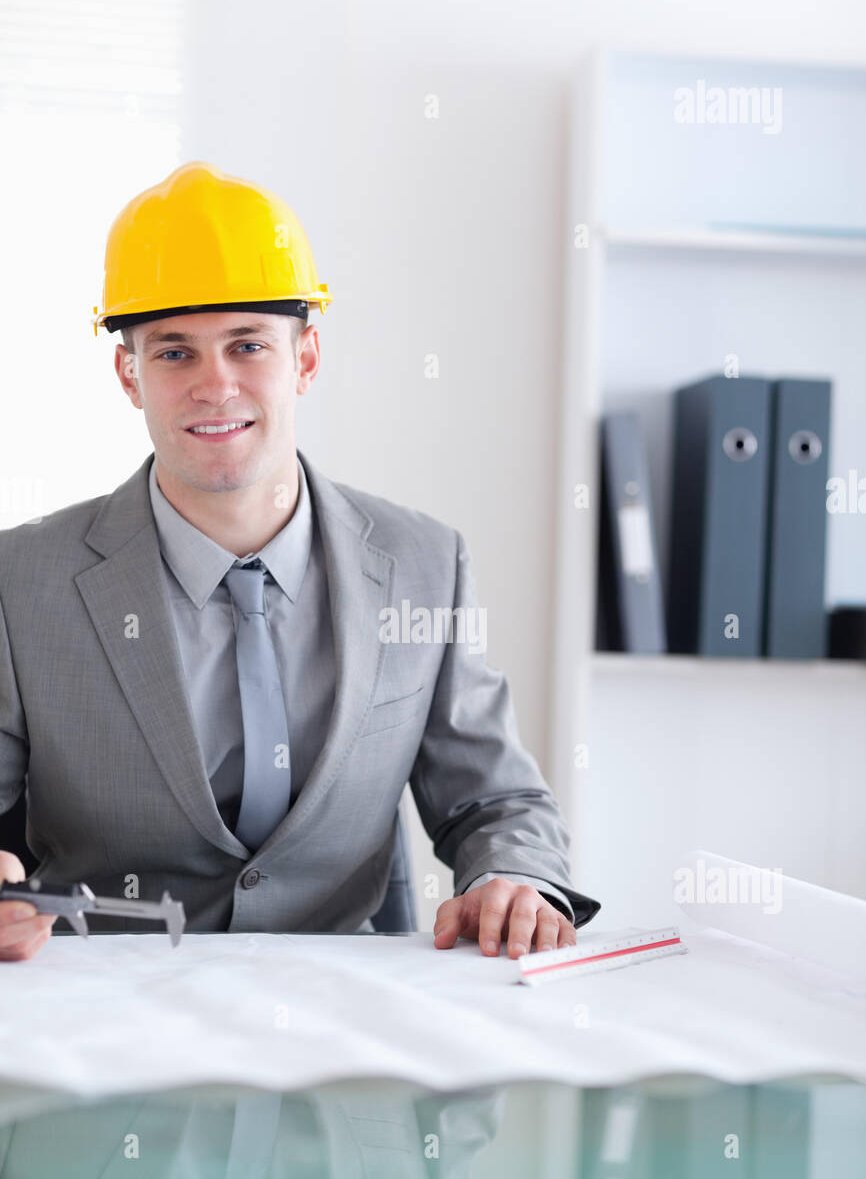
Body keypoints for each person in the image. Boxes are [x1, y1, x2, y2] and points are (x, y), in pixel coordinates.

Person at [0, 162, 600, 963]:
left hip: (346, 1020)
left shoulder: (425, 564)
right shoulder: (23, 579)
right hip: (103, 1020)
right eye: (175, 354)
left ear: (305, 359)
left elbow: (496, 801)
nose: (215, 385)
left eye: (248, 345)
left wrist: (514, 878)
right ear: (128, 374)